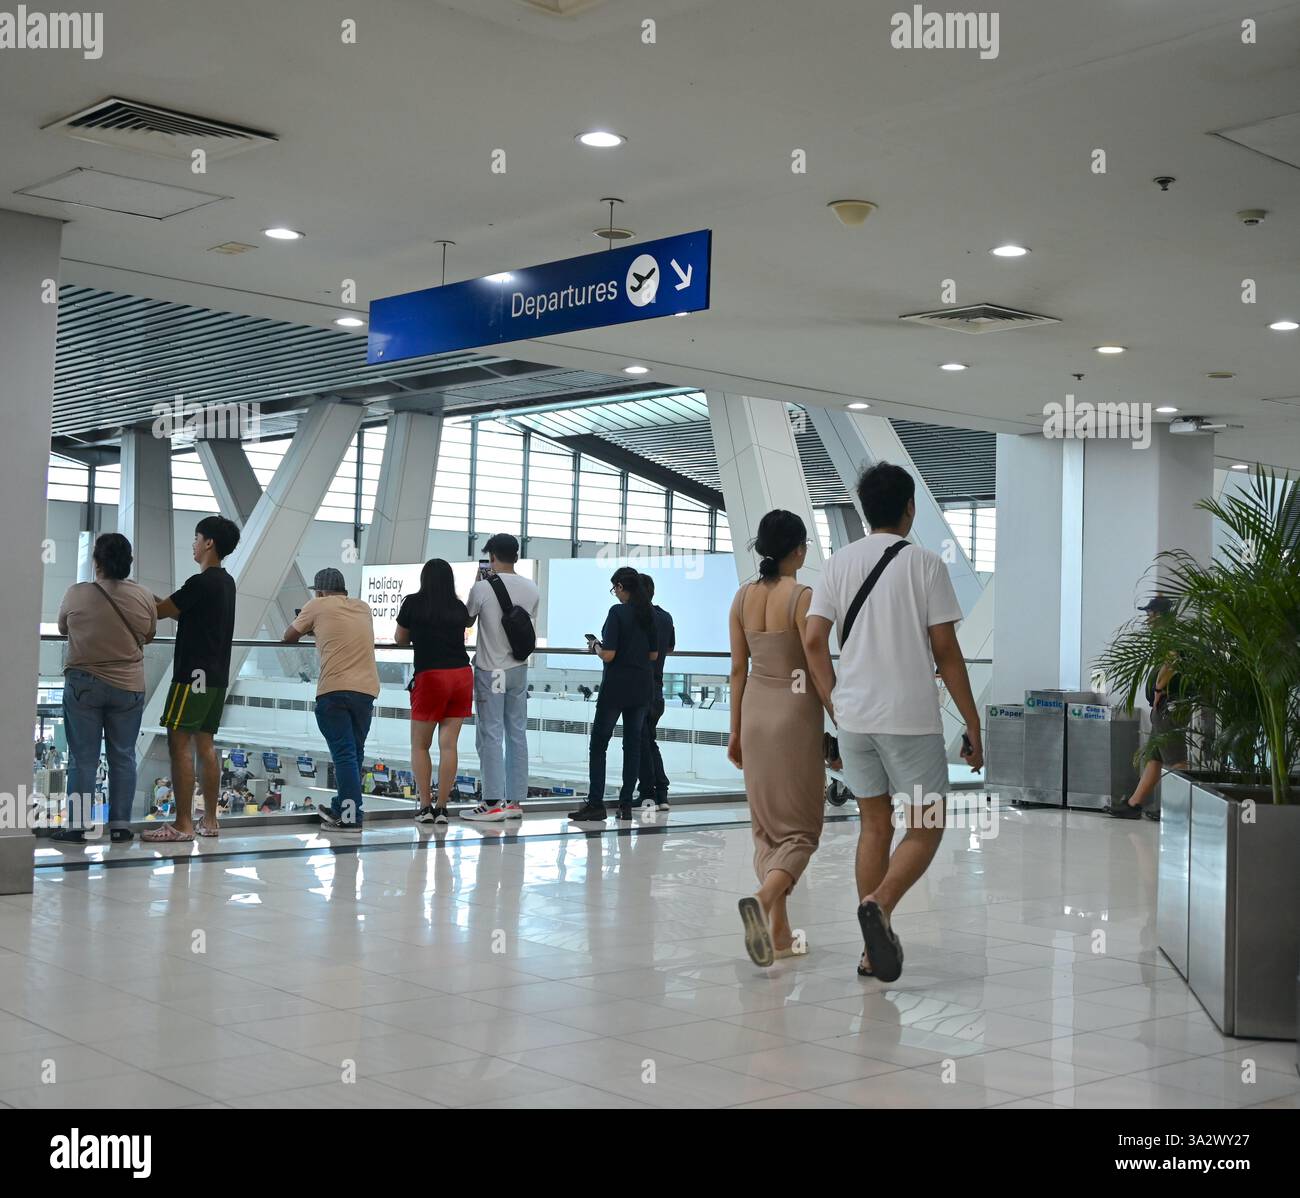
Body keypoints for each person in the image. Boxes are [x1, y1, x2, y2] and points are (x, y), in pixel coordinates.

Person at [804, 463, 983, 982]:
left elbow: (814, 640)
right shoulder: (925, 564)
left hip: (855, 720)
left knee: (874, 826)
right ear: (910, 507)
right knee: (926, 826)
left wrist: (835, 702)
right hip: (909, 719)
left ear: (864, 510)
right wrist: (972, 722)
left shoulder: (838, 563)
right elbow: (946, 653)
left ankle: (869, 950)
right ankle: (880, 905)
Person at [729, 512, 828, 966]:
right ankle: (764, 900)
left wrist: (734, 731)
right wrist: (837, 714)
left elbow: (736, 670)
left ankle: (781, 934)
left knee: (768, 828)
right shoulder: (803, 596)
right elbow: (815, 662)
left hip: (754, 714)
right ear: (798, 550)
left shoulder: (743, 596)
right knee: (802, 830)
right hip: (793, 717)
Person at [53, 532, 157, 843]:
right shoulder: (142, 596)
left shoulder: (76, 594)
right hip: (128, 686)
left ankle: (77, 826)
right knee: (123, 756)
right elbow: (149, 634)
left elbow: (62, 628)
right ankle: (121, 827)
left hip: (84, 684)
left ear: (96, 563)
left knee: (83, 758)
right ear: (129, 562)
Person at [144, 515, 240, 843]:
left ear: (209, 542)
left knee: (178, 739)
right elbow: (178, 607)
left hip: (193, 676)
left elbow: (160, 610)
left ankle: (183, 823)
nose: (194, 544)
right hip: (216, 676)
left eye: (197, 538)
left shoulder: (200, 583)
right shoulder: (226, 583)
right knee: (205, 742)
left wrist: (135, 594)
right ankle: (210, 820)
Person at [283, 567, 380, 832]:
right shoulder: (363, 607)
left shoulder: (317, 605)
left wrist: (311, 627)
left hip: (334, 690)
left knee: (344, 754)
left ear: (321, 591)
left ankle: (350, 818)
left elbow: (288, 636)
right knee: (355, 754)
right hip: (366, 691)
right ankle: (342, 807)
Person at [569, 567, 660, 822]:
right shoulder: (649, 613)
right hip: (642, 687)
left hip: (617, 687)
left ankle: (595, 803)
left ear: (621, 586)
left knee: (599, 744)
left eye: (615, 588)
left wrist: (595, 645)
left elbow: (609, 654)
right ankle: (626, 804)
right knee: (632, 746)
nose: (615, 594)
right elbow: (653, 655)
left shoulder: (617, 612)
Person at [464, 533, 539, 821]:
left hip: (491, 669)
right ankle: (515, 802)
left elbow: (468, 620)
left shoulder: (482, 588)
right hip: (519, 668)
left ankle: (492, 801)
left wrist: (478, 582)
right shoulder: (532, 588)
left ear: (492, 557)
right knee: (517, 733)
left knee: (491, 733)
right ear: (516, 557)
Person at [395, 558, 474, 825]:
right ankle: (442, 809)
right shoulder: (458, 606)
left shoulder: (413, 603)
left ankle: (425, 807)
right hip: (462, 676)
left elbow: (400, 639)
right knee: (448, 745)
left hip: (430, 677)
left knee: (420, 746)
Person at [1104, 595, 1186, 820]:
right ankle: (1134, 804)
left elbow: (1172, 663)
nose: (1148, 620)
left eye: (1150, 614)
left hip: (1171, 704)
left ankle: (1178, 809)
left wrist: (1159, 689)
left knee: (1176, 759)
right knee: (1155, 756)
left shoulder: (1173, 636)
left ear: (1160, 615)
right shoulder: (1167, 636)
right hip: (1163, 706)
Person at [637, 573, 676, 811]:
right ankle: (660, 794)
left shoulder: (636, 618)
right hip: (657, 687)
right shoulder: (665, 617)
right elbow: (670, 646)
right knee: (648, 740)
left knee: (641, 742)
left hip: (638, 688)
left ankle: (650, 794)